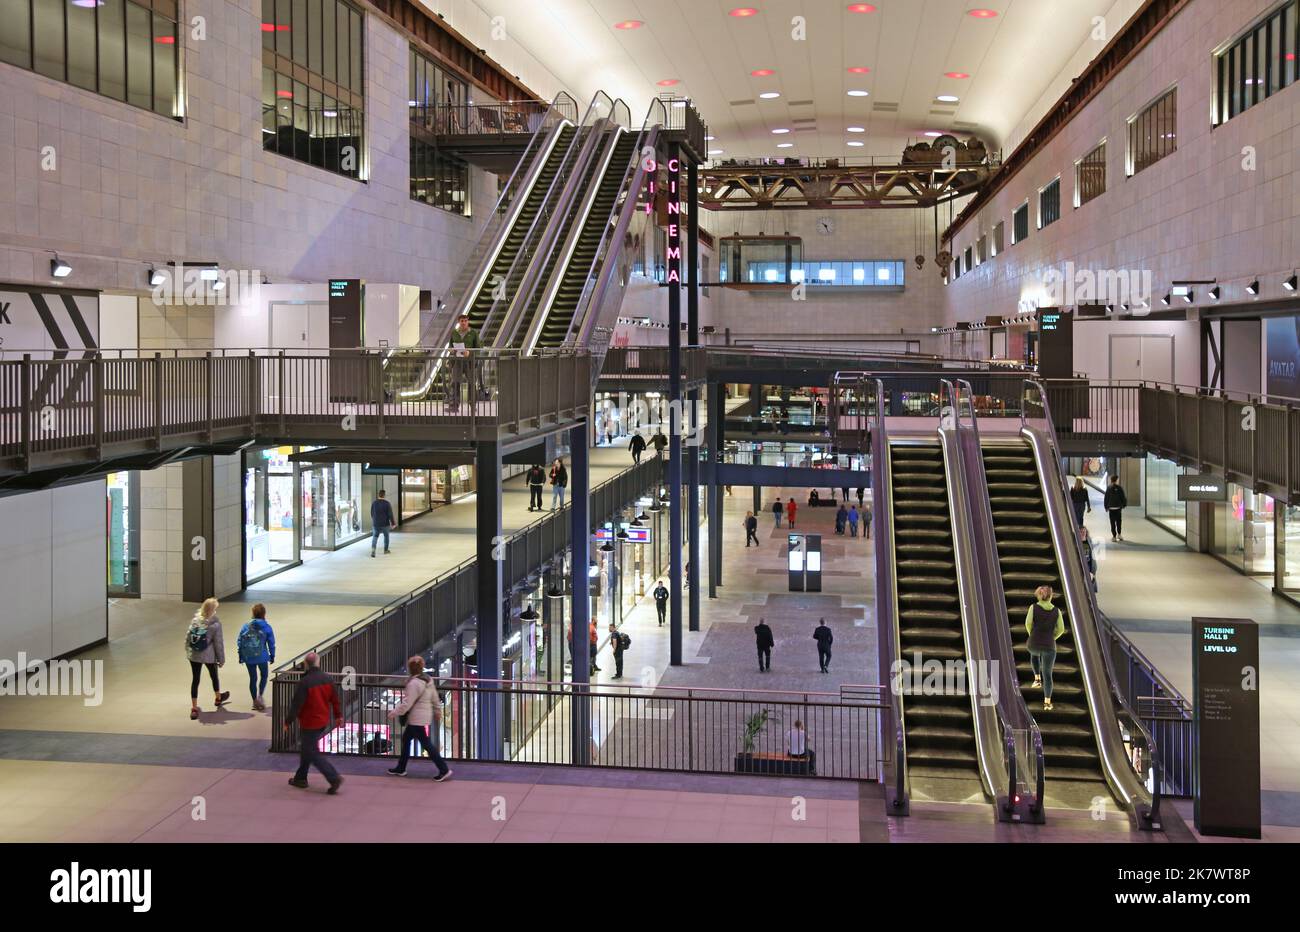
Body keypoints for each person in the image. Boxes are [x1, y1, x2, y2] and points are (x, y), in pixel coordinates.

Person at [285, 651, 344, 793]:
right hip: (322, 720)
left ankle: (333, 777)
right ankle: (300, 778)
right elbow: (335, 699)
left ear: (306, 664)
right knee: (307, 748)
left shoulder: (305, 682)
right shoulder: (328, 679)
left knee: (311, 751)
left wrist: (288, 721)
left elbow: (297, 704)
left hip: (309, 721)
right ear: (318, 663)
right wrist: (338, 716)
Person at [386, 655, 452, 782]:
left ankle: (444, 769)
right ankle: (401, 767)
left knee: (426, 744)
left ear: (410, 668)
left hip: (416, 717)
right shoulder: (428, 679)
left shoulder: (414, 683)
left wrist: (394, 712)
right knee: (407, 739)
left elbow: (407, 703)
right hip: (424, 715)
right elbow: (434, 697)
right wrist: (437, 710)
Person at [1024, 585, 1065, 711]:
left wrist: (1032, 635)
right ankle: (1047, 703)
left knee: (1034, 654)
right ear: (1051, 596)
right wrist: (1053, 637)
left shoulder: (1033, 607)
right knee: (1048, 674)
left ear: (1038, 595)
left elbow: (1028, 623)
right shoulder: (1056, 611)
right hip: (1049, 646)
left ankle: (1037, 678)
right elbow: (1061, 629)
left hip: (1034, 643)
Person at [187, 597, 229, 719]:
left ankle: (194, 708)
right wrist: (221, 660)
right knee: (214, 676)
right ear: (212, 610)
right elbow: (218, 644)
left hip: (194, 655)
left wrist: (188, 651)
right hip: (208, 655)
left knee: (195, 680)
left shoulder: (195, 620)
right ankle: (218, 698)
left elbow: (188, 637)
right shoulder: (215, 624)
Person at [237, 603, 276, 711]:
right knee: (264, 675)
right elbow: (271, 643)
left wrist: (241, 655)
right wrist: (272, 655)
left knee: (252, 678)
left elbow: (239, 641)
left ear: (253, 613)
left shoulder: (246, 626)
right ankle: (260, 695)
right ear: (264, 614)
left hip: (248, 656)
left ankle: (254, 701)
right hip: (262, 656)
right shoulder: (267, 627)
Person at [447, 313, 481, 412]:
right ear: (459, 322)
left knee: (471, 383)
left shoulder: (473, 333)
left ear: (468, 321)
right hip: (457, 361)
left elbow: (478, 348)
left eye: (465, 321)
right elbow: (450, 346)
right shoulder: (454, 333)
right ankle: (454, 405)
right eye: (462, 321)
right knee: (455, 382)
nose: (464, 323)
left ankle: (472, 405)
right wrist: (451, 350)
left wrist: (469, 352)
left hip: (469, 362)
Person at [370, 488, 395, 557]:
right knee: (386, 536)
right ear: (384, 495)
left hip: (376, 523)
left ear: (378, 495)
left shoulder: (374, 503)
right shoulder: (387, 503)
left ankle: (373, 550)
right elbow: (390, 514)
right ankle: (386, 550)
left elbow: (372, 513)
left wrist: (374, 520)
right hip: (385, 523)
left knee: (375, 536)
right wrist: (393, 523)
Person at [1104, 474, 1128, 541]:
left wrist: (1106, 507)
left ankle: (1114, 536)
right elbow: (1123, 497)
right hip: (1118, 508)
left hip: (1111, 508)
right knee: (1119, 521)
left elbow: (1106, 498)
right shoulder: (1119, 488)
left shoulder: (1108, 488)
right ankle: (1119, 534)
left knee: (1112, 522)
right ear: (1116, 480)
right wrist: (1124, 504)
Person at [1079, 525, 1098, 591]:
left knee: (1090, 580)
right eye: (1081, 531)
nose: (1083, 533)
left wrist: (1094, 567)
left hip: (1088, 564)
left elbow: (1092, 553)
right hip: (1081, 563)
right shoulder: (1076, 541)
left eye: (1084, 531)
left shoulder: (1088, 540)